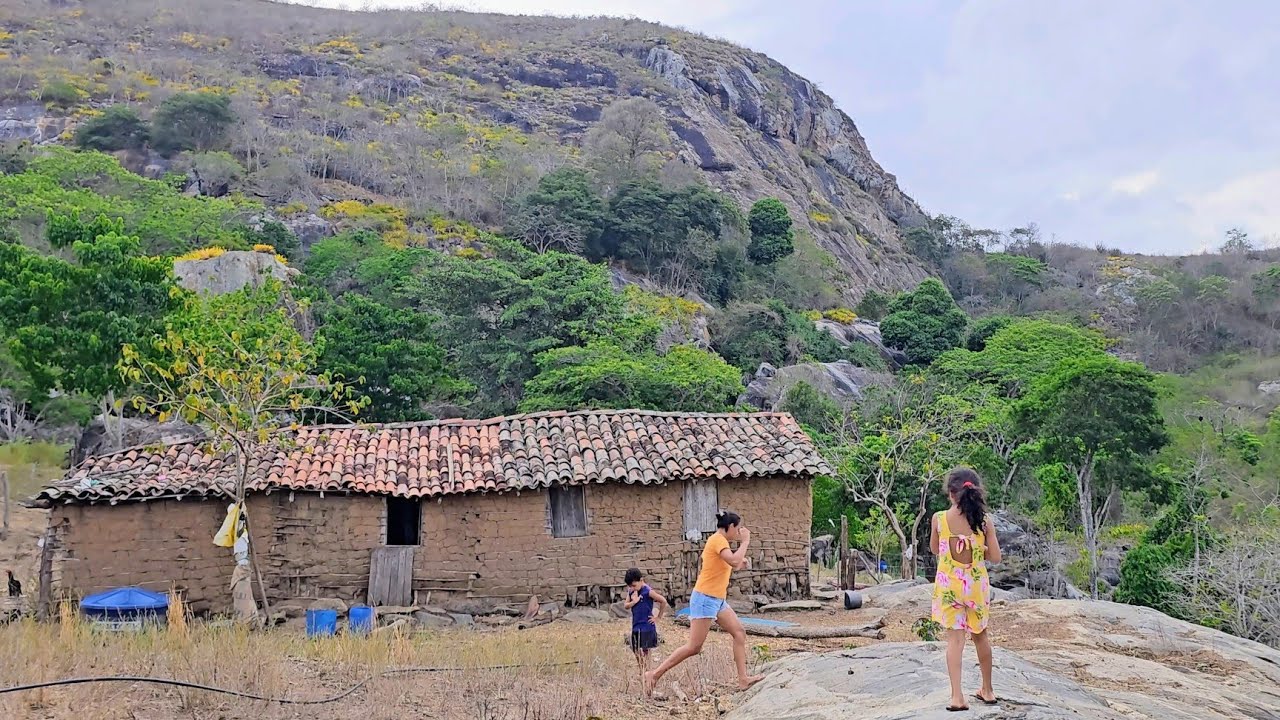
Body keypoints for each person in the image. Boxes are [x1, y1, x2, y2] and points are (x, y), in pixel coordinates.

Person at [644, 510, 764, 696]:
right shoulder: (717, 540)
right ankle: (654, 674)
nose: (739, 532)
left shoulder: (722, 543)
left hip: (717, 599)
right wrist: (745, 542)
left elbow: (729, 563)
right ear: (730, 527)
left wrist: (742, 561)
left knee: (739, 633)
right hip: (705, 598)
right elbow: (732, 560)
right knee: (694, 647)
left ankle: (743, 679)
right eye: (737, 528)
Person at [930, 467, 1002, 712]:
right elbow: (996, 557)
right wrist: (978, 548)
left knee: (955, 641)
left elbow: (934, 549)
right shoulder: (984, 521)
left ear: (951, 493)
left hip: (949, 587)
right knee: (981, 636)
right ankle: (988, 690)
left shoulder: (939, 519)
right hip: (975, 589)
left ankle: (957, 697)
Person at [623, 568, 668, 675]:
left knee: (646, 651)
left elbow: (663, 601)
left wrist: (658, 617)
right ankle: (642, 669)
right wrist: (634, 601)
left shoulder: (648, 591)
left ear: (641, 580)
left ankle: (647, 672)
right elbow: (626, 605)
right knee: (635, 648)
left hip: (647, 626)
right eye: (630, 586)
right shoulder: (631, 592)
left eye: (634, 585)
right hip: (636, 625)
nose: (632, 588)